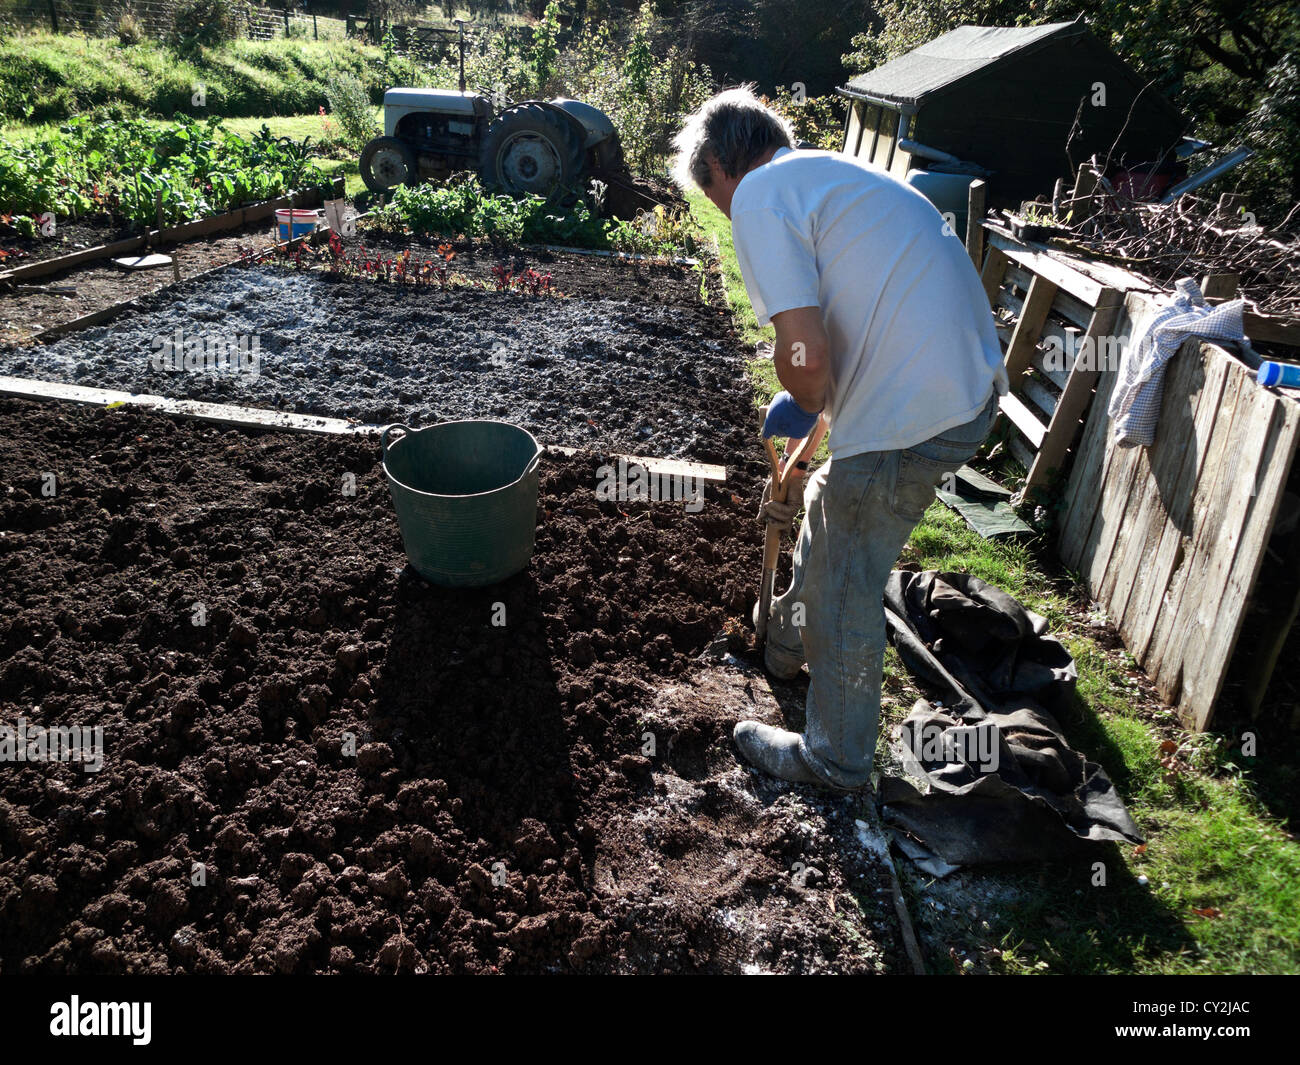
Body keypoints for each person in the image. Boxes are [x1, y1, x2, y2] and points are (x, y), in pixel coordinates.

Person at [671, 87, 1009, 791]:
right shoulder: (834, 176)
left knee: (850, 571)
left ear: (724, 165)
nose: (726, 217)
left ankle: (837, 756)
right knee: (831, 499)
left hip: (917, 406)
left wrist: (803, 397)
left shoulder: (762, 193)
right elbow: (858, 319)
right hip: (959, 390)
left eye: (715, 198)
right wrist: (817, 408)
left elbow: (807, 357)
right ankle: (785, 645)